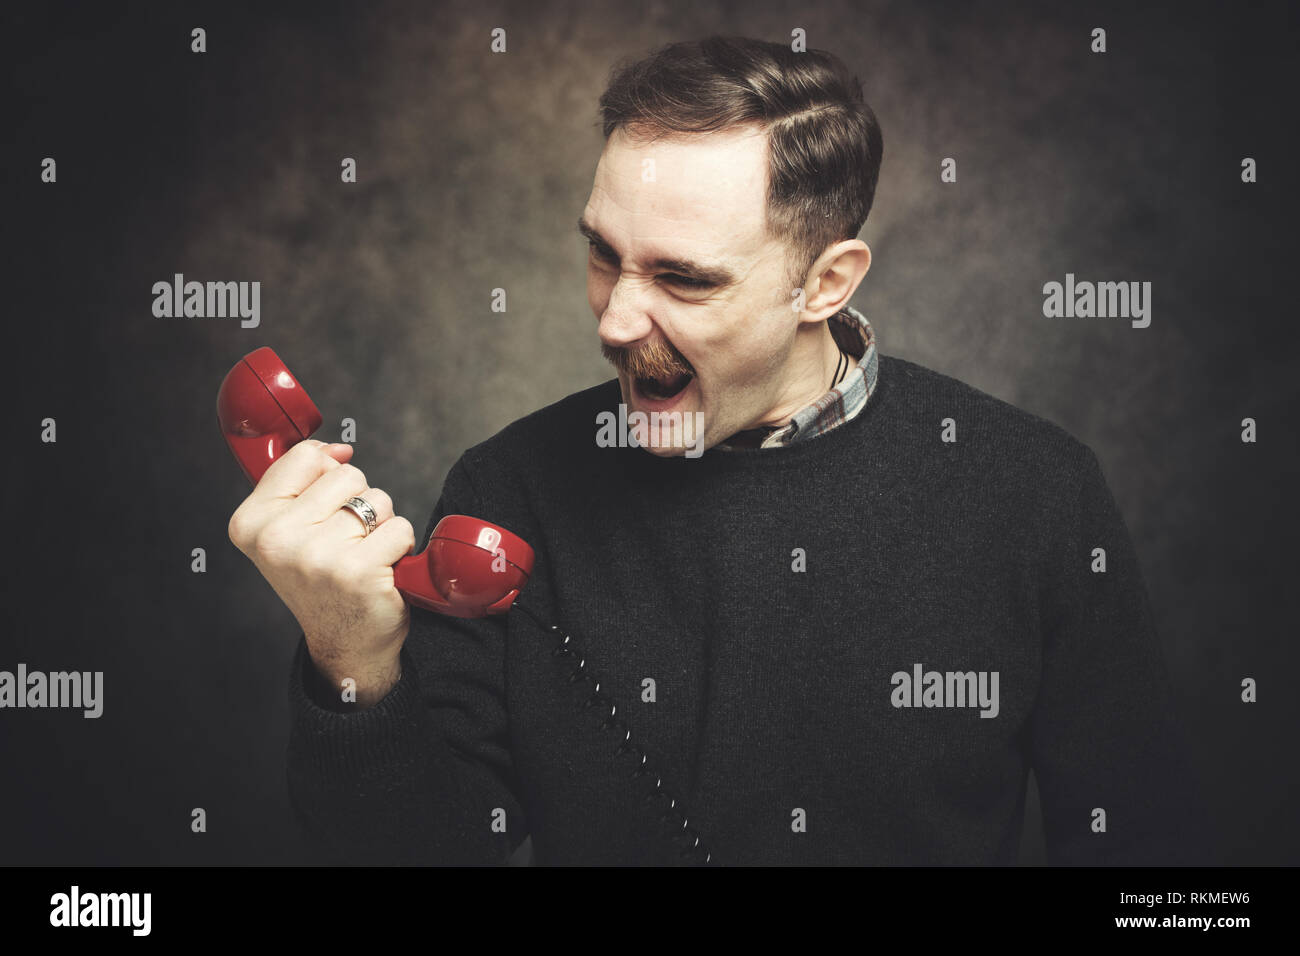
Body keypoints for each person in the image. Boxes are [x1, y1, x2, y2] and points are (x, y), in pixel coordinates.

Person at [227, 35, 1203, 865]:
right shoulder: (509, 489)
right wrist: (351, 658)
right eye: (603, 253)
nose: (615, 319)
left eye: (681, 279)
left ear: (824, 282)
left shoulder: (1033, 493)